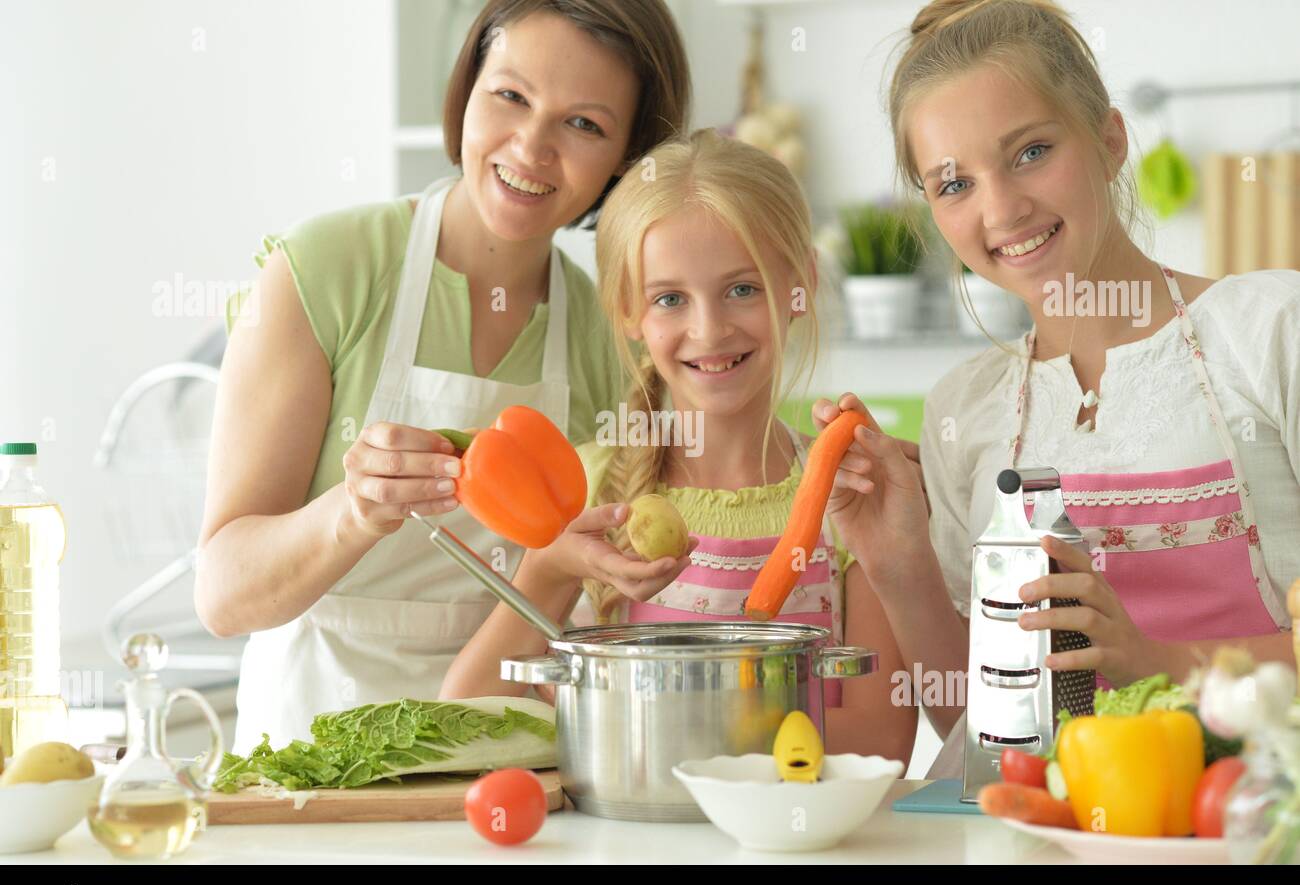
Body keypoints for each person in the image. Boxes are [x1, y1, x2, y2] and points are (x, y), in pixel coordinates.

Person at [816, 0, 1300, 776]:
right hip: (1041, 833)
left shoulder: (1272, 331)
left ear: (1109, 140)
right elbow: (980, 728)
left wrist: (1160, 660)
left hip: (1257, 821)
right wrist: (897, 560)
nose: (1001, 209)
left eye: (1032, 151)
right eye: (954, 183)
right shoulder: (964, 408)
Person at [196, 0, 691, 752]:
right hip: (310, 766)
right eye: (510, 97)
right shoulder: (327, 271)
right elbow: (224, 595)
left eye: (583, 124)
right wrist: (354, 512)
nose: (531, 147)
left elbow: (595, 596)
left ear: (627, 157)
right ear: (466, 91)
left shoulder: (609, 336)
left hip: (511, 764)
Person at [442, 130, 918, 762]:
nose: (709, 329)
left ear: (798, 284)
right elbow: (464, 720)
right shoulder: (585, 489)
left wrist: (657, 741)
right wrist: (551, 568)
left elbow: (881, 743)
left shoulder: (850, 498)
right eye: (669, 298)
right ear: (626, 314)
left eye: (742, 289)